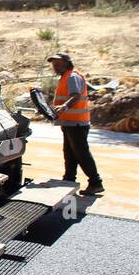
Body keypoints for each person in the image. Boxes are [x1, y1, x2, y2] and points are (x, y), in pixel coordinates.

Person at [48, 52, 104, 195]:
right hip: (69, 123)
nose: (55, 66)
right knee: (70, 153)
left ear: (67, 63)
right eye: (54, 64)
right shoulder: (65, 77)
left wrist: (65, 106)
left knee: (81, 153)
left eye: (58, 63)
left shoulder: (72, 76)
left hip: (77, 124)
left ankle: (95, 182)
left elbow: (76, 96)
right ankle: (68, 180)